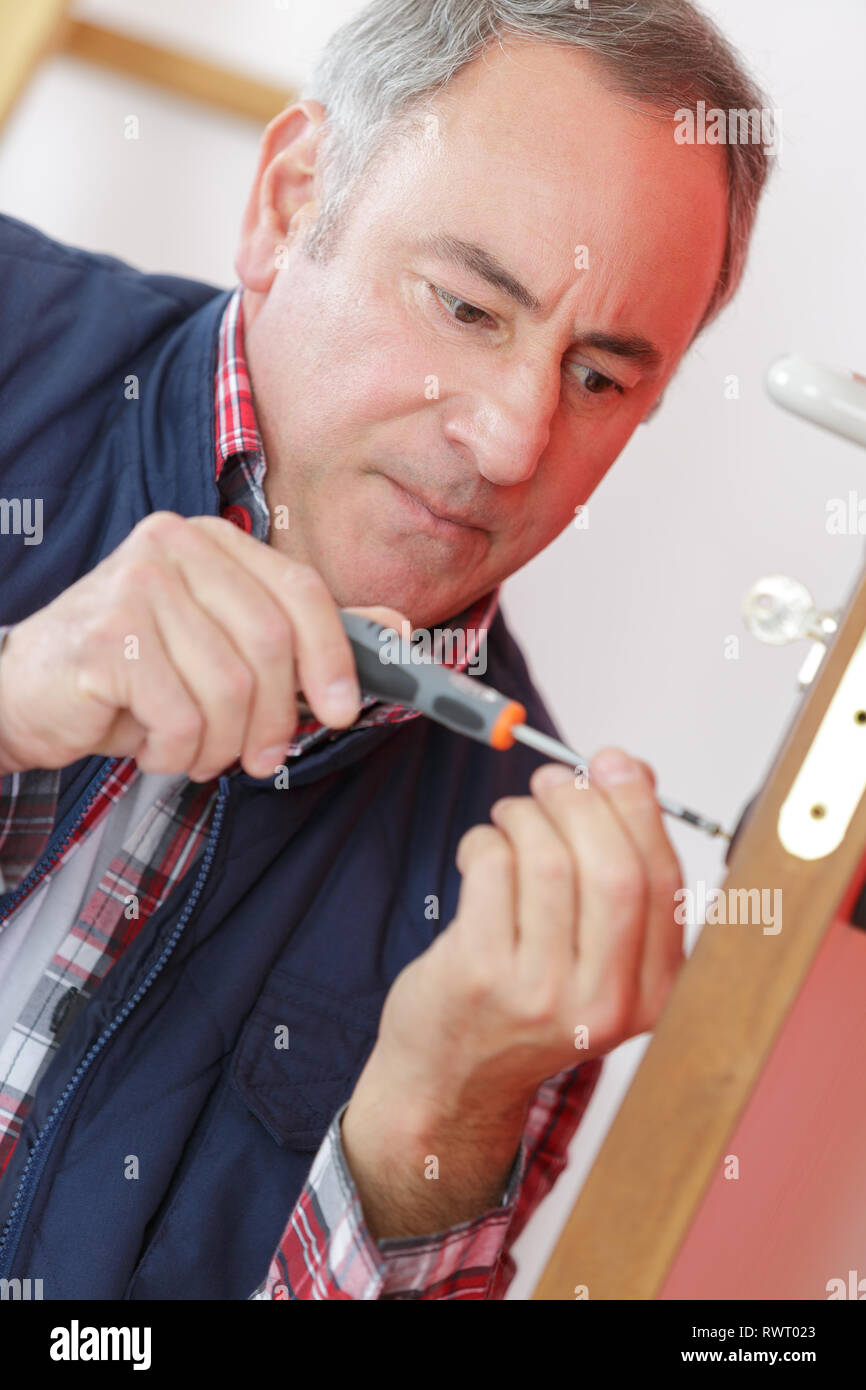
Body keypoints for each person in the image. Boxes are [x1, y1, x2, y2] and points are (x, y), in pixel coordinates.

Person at [0, 0, 773, 1299]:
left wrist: (435, 1130)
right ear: (292, 198)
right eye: (469, 307)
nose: (513, 440)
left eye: (598, 379)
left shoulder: (523, 923)